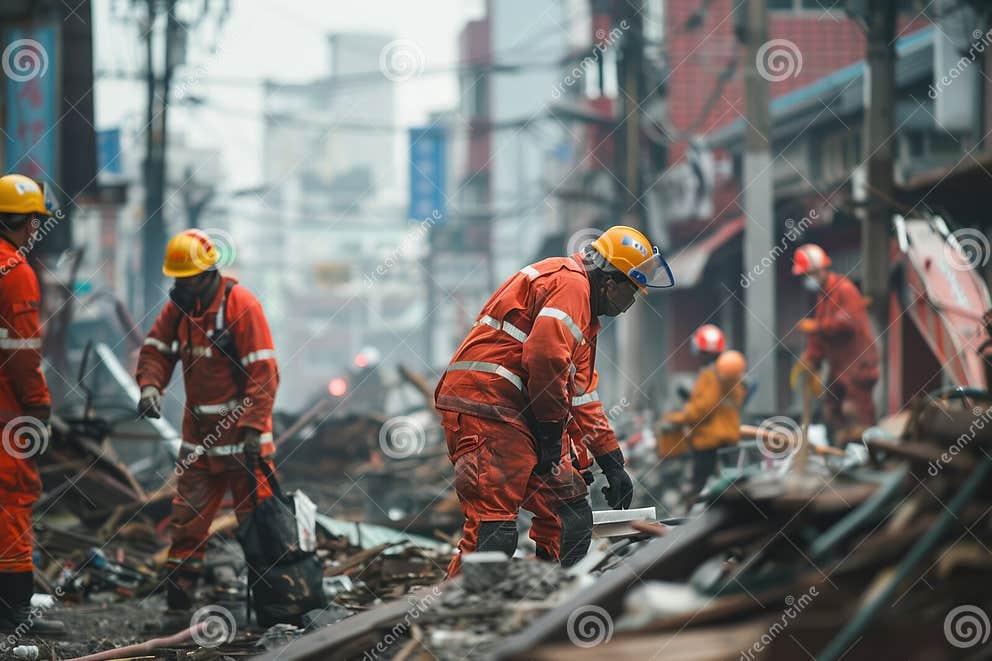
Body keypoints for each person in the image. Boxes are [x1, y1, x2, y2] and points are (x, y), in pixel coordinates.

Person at [435, 225, 674, 575]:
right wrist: (550, 435)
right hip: (488, 407)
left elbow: (581, 396)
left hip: (517, 411)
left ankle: (552, 603)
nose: (632, 303)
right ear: (611, 283)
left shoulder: (583, 313)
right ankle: (452, 615)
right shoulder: (571, 285)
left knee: (571, 517)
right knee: (495, 534)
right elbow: (545, 359)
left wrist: (611, 461)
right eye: (633, 292)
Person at [136, 229, 279, 615]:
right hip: (199, 444)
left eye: (187, 280)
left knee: (258, 528)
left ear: (209, 274)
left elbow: (263, 372)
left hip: (245, 446)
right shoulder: (180, 309)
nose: (180, 287)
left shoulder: (241, 306)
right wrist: (150, 386)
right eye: (176, 280)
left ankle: (270, 610)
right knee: (187, 526)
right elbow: (156, 351)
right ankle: (178, 608)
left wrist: (251, 427)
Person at [0, 174, 64, 634]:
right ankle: (12, 612)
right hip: (5, 412)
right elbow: (23, 351)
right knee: (13, 499)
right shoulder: (15, 271)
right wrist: (38, 406)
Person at [790, 244, 879, 443]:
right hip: (840, 367)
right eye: (804, 276)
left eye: (809, 274)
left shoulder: (844, 290)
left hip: (858, 364)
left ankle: (866, 454)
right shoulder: (823, 297)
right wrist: (811, 358)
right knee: (832, 410)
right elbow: (821, 338)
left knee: (855, 413)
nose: (807, 280)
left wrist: (815, 326)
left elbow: (846, 324)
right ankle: (842, 457)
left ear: (822, 269)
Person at [661, 350, 747, 501]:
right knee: (729, 484)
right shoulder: (737, 384)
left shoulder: (711, 376)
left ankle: (695, 518)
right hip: (729, 440)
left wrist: (676, 417)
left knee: (699, 487)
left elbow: (702, 410)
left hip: (707, 443)